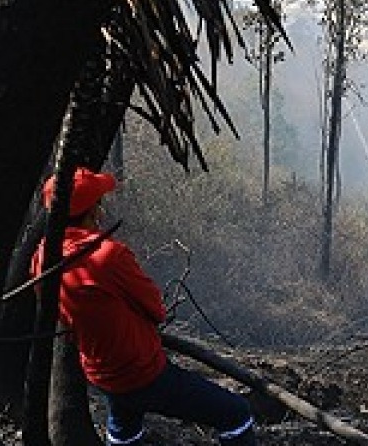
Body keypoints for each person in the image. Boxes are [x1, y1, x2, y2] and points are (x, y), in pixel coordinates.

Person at [31, 166, 257, 445]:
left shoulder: (42, 259)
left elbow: (56, 311)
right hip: (141, 372)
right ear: (93, 212)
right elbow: (156, 309)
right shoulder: (108, 256)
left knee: (124, 429)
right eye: (98, 204)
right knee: (236, 414)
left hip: (100, 373)